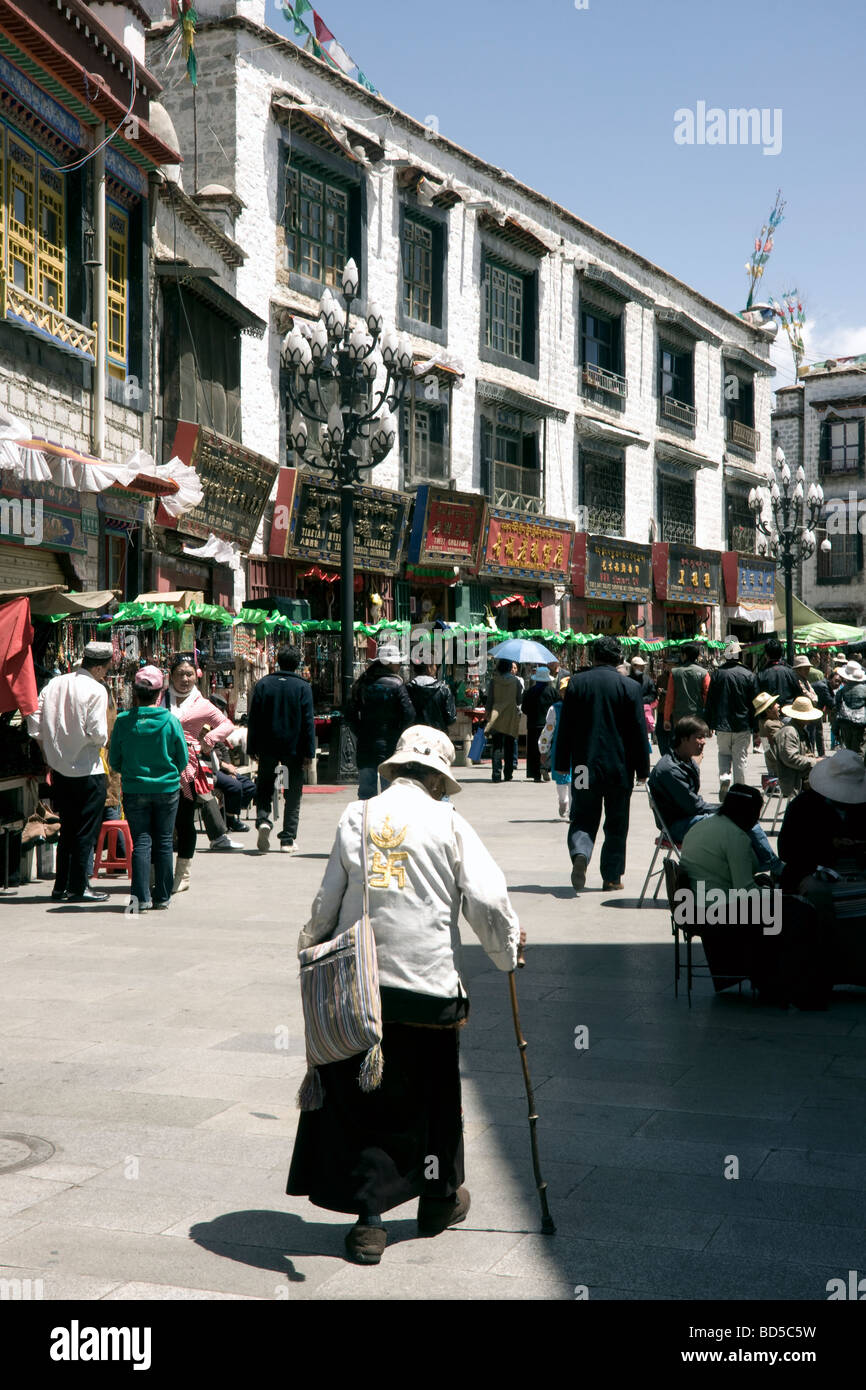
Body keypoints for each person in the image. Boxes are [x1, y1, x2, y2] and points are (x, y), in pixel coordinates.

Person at [286, 726, 522, 1266]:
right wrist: (507, 953)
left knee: (368, 1104)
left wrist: (311, 945)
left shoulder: (358, 815)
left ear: (396, 769)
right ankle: (438, 1200)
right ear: (438, 777)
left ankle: (370, 1225)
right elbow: (486, 900)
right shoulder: (450, 822)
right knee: (436, 1099)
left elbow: (328, 900)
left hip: (362, 984)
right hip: (429, 989)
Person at [554, 635, 649, 891]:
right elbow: (638, 731)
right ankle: (612, 877)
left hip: (584, 767)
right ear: (619, 658)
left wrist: (561, 763)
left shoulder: (576, 684)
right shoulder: (630, 687)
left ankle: (581, 854)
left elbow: (565, 728)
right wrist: (643, 768)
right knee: (617, 822)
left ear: (593, 657)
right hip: (619, 769)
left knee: (583, 816)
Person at [26, 639, 112, 904]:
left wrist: (49, 750)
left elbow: (34, 722)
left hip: (61, 771)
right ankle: (78, 886)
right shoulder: (96, 690)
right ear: (99, 669)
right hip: (88, 771)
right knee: (85, 832)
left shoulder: (54, 684)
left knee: (68, 830)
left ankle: (60, 886)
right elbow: (98, 734)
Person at [649, 716, 778, 870]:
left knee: (743, 818)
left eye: (704, 737)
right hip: (678, 826)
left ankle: (762, 864)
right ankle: (770, 865)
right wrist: (728, 809)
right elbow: (694, 806)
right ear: (684, 739)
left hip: (689, 818)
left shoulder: (684, 760)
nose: (703, 742)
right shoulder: (669, 769)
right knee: (741, 819)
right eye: (699, 737)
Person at [109, 666, 189, 912]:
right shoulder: (170, 720)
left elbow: (114, 761)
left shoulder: (124, 721)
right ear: (159, 693)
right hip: (167, 789)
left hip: (134, 790)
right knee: (164, 841)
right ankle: (162, 897)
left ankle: (140, 899)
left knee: (141, 842)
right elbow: (182, 758)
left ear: (135, 692)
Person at [165, 655, 242, 895]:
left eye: (189, 674)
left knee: (185, 820)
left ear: (195, 675)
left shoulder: (202, 703)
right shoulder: (161, 698)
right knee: (163, 823)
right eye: (180, 674)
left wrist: (208, 739)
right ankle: (158, 873)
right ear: (171, 676)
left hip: (187, 769)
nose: (184, 679)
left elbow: (227, 724)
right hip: (160, 766)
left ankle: (182, 874)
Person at [247, 645, 316, 854]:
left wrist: (252, 747)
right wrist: (309, 752)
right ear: (297, 664)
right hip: (293, 748)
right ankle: (287, 839)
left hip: (267, 746)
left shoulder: (263, 684)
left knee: (265, 786)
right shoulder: (303, 687)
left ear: (277, 660)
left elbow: (254, 719)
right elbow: (307, 722)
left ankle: (263, 820)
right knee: (293, 792)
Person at [346, 642, 415, 801]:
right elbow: (409, 714)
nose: (399, 665)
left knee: (365, 794)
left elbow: (349, 714)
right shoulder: (397, 684)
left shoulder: (362, 683)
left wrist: (361, 731)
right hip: (390, 746)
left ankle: (365, 824)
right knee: (389, 794)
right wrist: (398, 732)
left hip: (365, 745)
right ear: (390, 664)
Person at [705, 637, 757, 797]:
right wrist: (755, 728)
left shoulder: (717, 674)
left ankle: (725, 778)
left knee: (724, 754)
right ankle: (739, 792)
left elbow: (710, 701)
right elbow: (754, 703)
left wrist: (709, 723)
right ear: (740, 656)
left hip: (722, 724)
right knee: (740, 758)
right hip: (742, 724)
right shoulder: (748, 675)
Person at [483, 658, 523, 784]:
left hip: (496, 715)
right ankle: (508, 773)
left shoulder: (494, 681)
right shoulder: (516, 681)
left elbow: (489, 700)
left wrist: (487, 712)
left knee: (497, 746)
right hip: (511, 715)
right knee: (510, 745)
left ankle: (496, 774)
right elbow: (519, 699)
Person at [539, 672, 572, 817]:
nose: (567, 693)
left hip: (578, 750)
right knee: (560, 778)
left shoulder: (583, 706)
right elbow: (548, 731)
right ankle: (562, 800)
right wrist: (543, 750)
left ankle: (573, 808)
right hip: (560, 749)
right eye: (564, 691)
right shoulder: (555, 709)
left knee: (577, 780)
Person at [774, 696, 821, 795]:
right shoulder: (789, 732)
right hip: (795, 779)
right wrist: (815, 761)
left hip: (802, 774)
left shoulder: (800, 729)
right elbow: (790, 758)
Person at [663, 643, 710, 734]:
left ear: (684, 655)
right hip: (697, 717)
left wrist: (666, 719)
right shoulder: (704, 673)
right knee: (696, 743)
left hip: (679, 717)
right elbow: (708, 696)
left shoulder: (675, 672)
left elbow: (670, 698)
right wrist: (709, 719)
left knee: (682, 743)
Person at [521, 667, 556, 782]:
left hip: (532, 725)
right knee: (547, 747)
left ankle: (535, 774)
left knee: (533, 749)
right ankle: (545, 767)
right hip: (548, 725)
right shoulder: (552, 691)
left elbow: (524, 708)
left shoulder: (529, 691)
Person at [405, 660, 457, 734]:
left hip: (414, 737)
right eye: (435, 665)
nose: (436, 669)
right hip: (437, 738)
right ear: (429, 667)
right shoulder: (443, 690)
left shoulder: (407, 689)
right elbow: (451, 718)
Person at [832, 661, 866, 757]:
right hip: (861, 727)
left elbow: (836, 712)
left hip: (845, 726)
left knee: (848, 753)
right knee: (860, 752)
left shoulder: (840, 692)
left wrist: (835, 730)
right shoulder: (864, 690)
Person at [756, 637, 801, 708]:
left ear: (766, 655)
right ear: (781, 653)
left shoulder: (761, 674)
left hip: (770, 713)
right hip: (789, 712)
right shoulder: (790, 672)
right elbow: (798, 693)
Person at [629, 655, 658, 758]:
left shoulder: (647, 679)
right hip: (631, 713)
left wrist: (643, 701)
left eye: (642, 666)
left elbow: (653, 695)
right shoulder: (627, 680)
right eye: (639, 666)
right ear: (633, 666)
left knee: (645, 737)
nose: (642, 668)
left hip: (644, 712)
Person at [792, 654, 822, 754]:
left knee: (811, 736)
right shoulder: (798, 681)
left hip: (809, 712)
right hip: (802, 714)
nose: (808, 671)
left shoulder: (805, 680)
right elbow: (808, 695)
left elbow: (813, 695)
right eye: (805, 669)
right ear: (798, 670)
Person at [753, 692, 782, 781]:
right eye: (775, 704)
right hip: (780, 767)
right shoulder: (770, 725)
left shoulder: (763, 723)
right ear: (768, 710)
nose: (778, 705)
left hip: (773, 766)